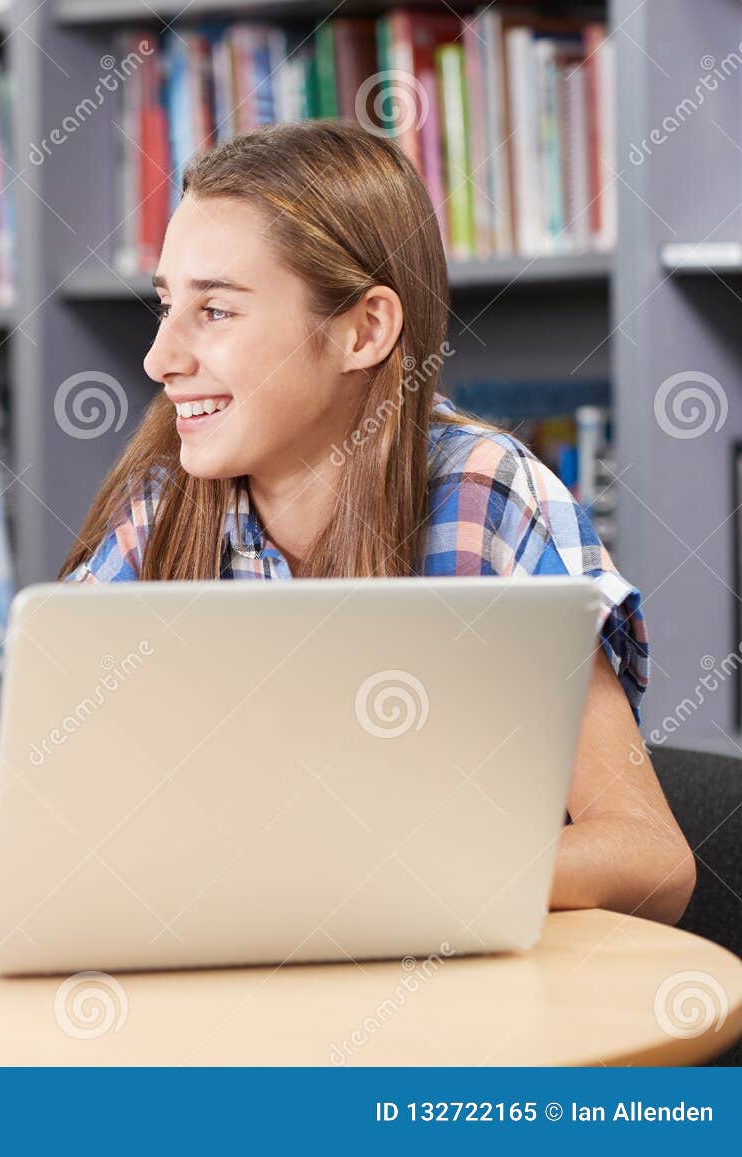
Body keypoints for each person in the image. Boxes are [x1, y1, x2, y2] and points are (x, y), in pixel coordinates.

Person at [62, 121, 694, 924]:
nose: (159, 358)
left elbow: (651, 858)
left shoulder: (484, 497)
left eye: (215, 311)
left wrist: (379, 881)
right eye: (165, 306)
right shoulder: (164, 513)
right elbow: (63, 821)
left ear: (363, 330)